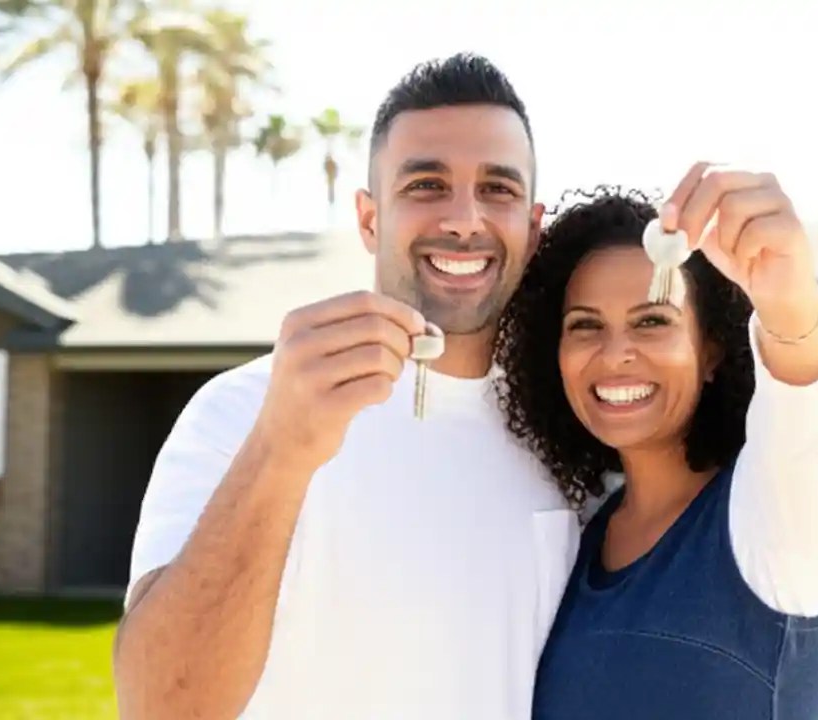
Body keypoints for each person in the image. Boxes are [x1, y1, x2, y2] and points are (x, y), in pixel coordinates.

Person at [112, 53, 580, 719]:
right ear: (369, 219)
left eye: (498, 189)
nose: (464, 219)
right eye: (426, 185)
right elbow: (159, 706)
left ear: (532, 231)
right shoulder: (241, 412)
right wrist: (281, 449)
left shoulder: (573, 435)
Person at [493, 177, 818, 719]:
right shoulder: (580, 537)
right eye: (585, 325)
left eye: (652, 321)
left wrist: (792, 307)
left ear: (712, 349)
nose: (616, 352)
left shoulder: (774, 520)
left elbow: (806, 411)